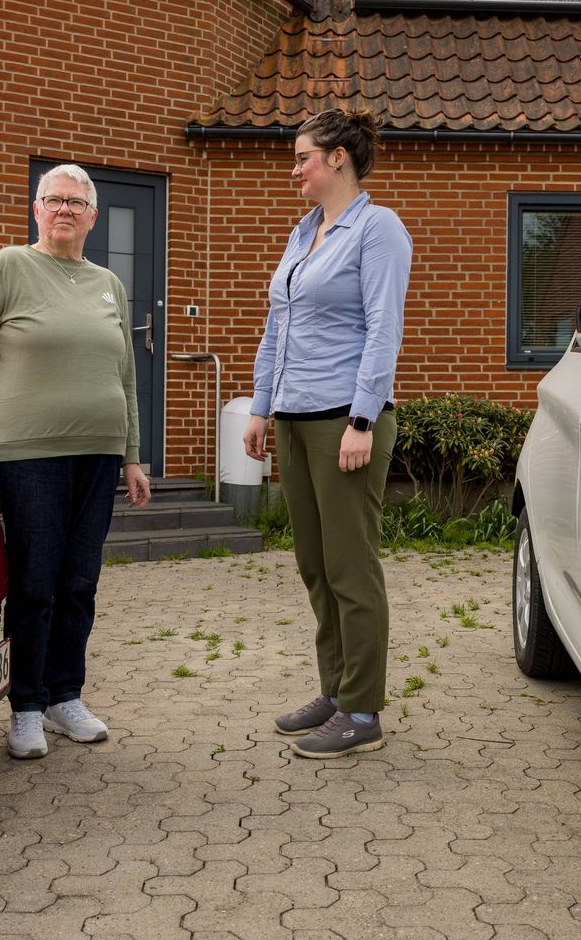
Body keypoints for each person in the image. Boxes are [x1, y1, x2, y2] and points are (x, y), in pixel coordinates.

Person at [0, 163, 151, 760]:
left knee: (80, 583)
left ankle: (66, 697)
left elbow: (125, 377)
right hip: (28, 459)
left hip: (99, 456)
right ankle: (26, 708)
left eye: (77, 202)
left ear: (92, 216)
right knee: (35, 586)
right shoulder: (7, 267)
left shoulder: (108, 283)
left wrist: (133, 457)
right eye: (54, 199)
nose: (65, 210)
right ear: (37, 209)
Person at [245, 108, 412, 759]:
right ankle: (336, 692)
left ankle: (364, 710)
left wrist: (362, 419)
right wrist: (261, 408)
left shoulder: (378, 229)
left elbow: (383, 328)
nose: (295, 171)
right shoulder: (304, 231)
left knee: (350, 568)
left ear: (338, 158)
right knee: (316, 567)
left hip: (345, 420)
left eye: (302, 158)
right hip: (294, 418)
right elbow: (276, 328)